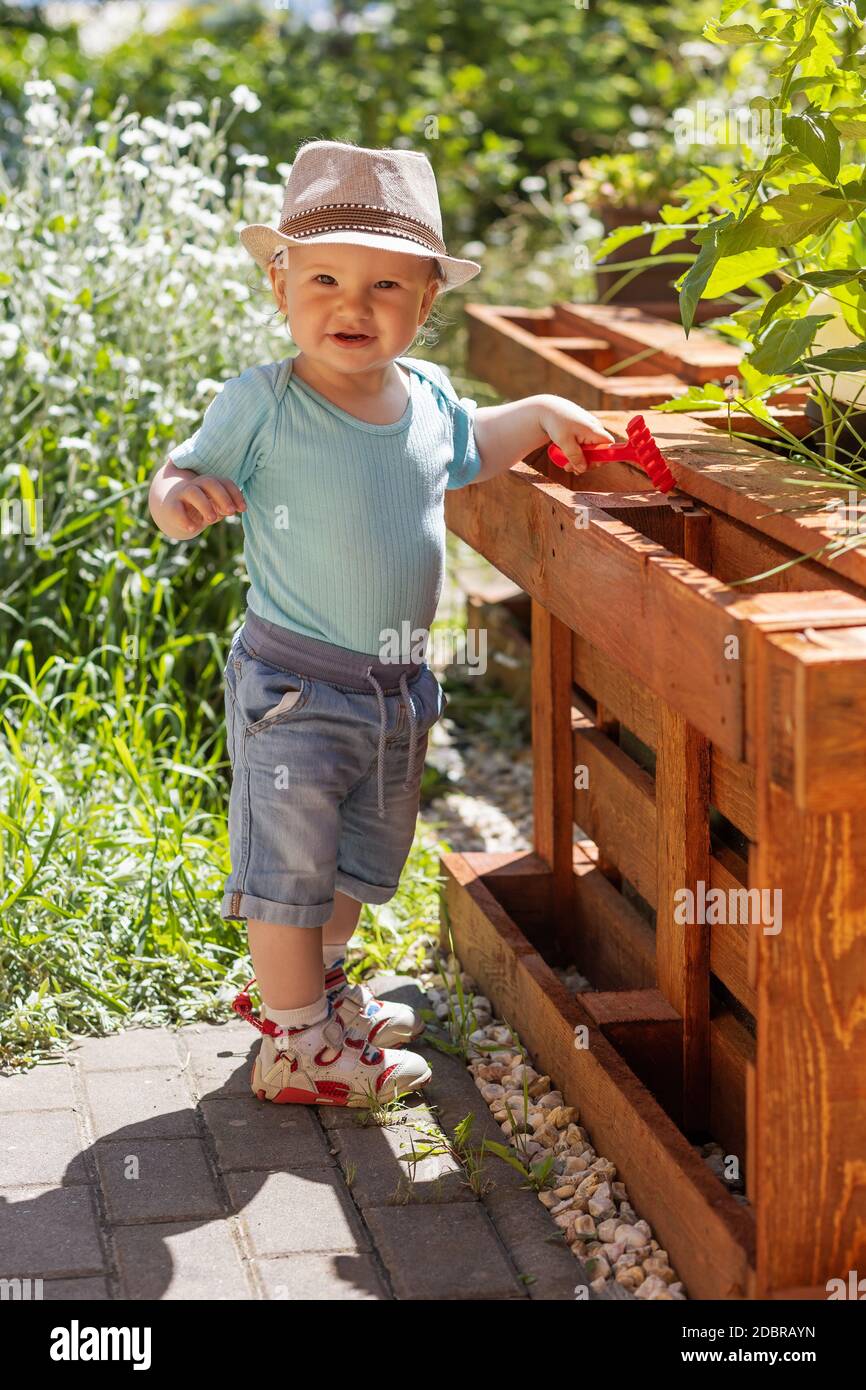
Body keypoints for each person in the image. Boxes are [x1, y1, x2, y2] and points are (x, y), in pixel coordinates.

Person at [148, 138, 613, 1108]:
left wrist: (539, 409)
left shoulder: (428, 400)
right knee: (288, 864)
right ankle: (297, 1046)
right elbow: (177, 473)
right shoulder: (262, 405)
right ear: (279, 286)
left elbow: (473, 449)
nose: (351, 306)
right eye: (323, 277)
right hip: (293, 684)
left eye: (384, 287)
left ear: (425, 303)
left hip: (396, 687)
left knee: (357, 857)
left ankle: (310, 993)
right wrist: (181, 498)